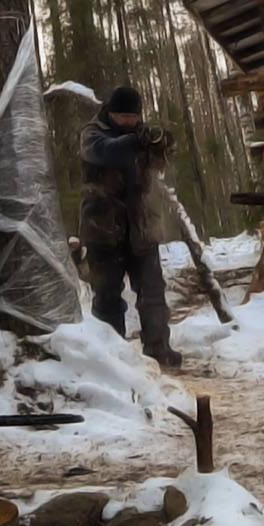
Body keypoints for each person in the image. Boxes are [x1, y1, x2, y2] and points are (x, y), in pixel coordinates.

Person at [79, 85, 181, 368]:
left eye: (132, 117)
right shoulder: (92, 134)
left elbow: (164, 161)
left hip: (142, 227)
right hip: (102, 229)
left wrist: (160, 143)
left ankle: (159, 350)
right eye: (122, 116)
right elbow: (106, 152)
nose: (127, 122)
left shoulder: (142, 134)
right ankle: (113, 360)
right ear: (110, 112)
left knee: (152, 292)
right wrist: (136, 141)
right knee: (108, 297)